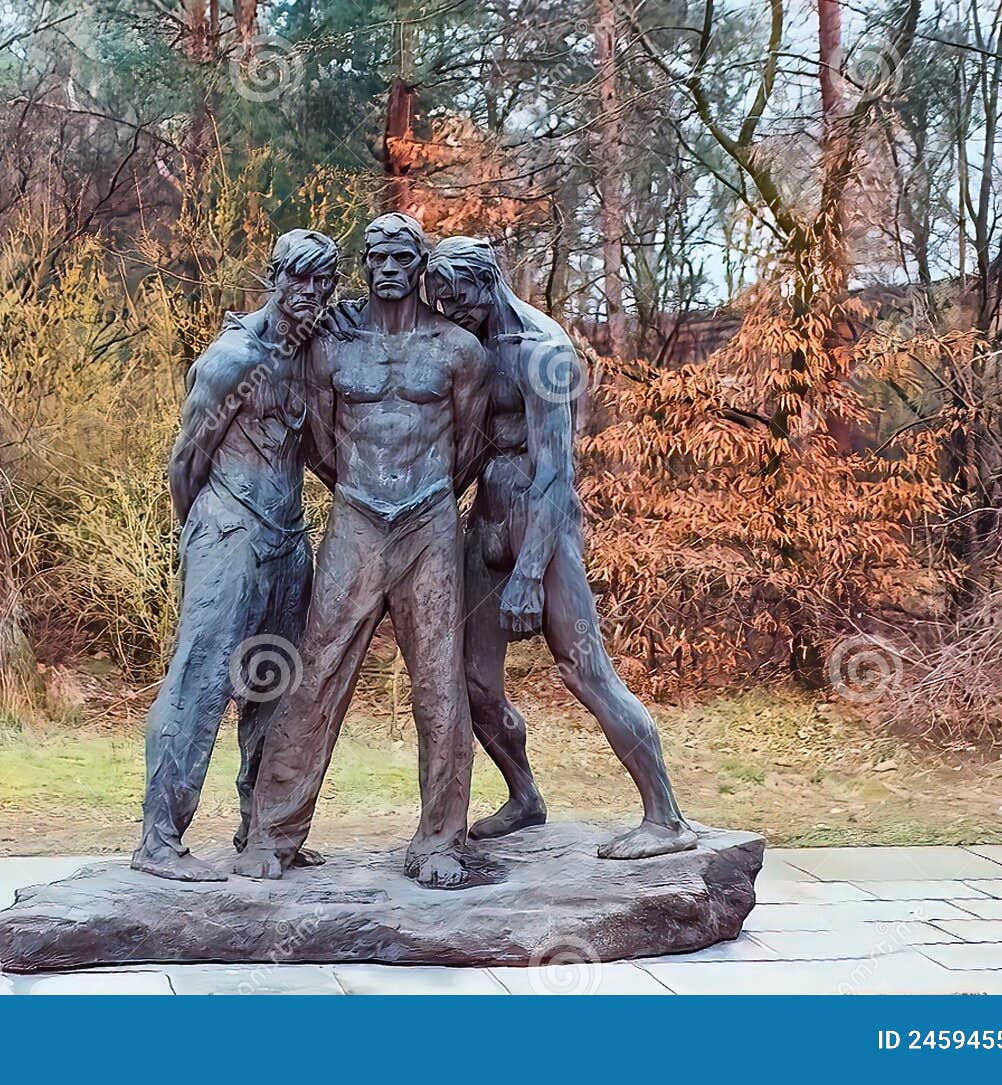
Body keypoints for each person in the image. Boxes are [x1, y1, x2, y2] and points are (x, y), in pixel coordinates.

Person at [232, 213, 492, 888]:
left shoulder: (459, 349)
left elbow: (468, 445)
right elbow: (320, 438)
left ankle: (441, 839)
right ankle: (273, 831)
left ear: (420, 262)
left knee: (439, 681)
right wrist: (364, 491)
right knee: (314, 673)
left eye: (400, 255)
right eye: (374, 255)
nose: (385, 266)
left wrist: (426, 494)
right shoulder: (331, 347)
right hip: (355, 521)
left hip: (429, 523)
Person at [426, 235, 698, 859]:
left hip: (540, 526)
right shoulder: (468, 340)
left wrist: (527, 572)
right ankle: (525, 797)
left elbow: (555, 474)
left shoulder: (543, 352)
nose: (447, 309)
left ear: (488, 280)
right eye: (438, 298)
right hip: (487, 520)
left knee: (586, 672)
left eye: (457, 296)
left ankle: (664, 816)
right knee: (472, 681)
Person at [131, 229, 340, 882]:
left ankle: (262, 831)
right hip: (227, 535)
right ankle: (160, 840)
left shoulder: (311, 360)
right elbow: (186, 462)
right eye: (298, 279)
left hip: (288, 540)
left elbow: (326, 456)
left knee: (275, 687)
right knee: (200, 682)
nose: (309, 294)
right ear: (273, 278)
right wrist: (200, 539)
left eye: (322, 284)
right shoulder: (232, 359)